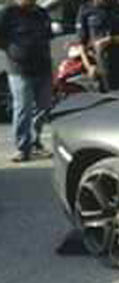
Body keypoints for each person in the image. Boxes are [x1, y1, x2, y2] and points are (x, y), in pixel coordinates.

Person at [0, 0, 54, 162]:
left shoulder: (41, 12)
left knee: (43, 108)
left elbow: (48, 37)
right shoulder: (7, 13)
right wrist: (13, 51)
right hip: (20, 70)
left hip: (43, 68)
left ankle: (35, 144)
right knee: (23, 109)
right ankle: (23, 148)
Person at [77, 0, 119, 91]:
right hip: (100, 65)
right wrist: (89, 67)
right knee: (106, 101)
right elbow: (81, 45)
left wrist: (111, 40)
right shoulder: (86, 9)